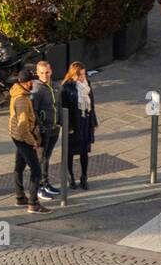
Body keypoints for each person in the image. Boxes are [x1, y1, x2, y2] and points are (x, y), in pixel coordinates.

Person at [9, 67, 49, 213]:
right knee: (36, 171)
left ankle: (20, 197)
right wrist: (33, 141)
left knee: (19, 166)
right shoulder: (22, 100)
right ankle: (33, 203)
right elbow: (23, 126)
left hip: (16, 135)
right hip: (23, 138)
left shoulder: (17, 92)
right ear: (27, 82)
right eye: (32, 80)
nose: (33, 83)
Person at [61, 62, 98, 190]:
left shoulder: (87, 85)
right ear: (73, 75)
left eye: (84, 74)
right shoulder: (66, 87)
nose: (83, 77)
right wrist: (68, 126)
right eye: (80, 75)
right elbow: (64, 109)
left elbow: (91, 104)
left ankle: (84, 177)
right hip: (73, 124)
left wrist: (93, 121)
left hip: (85, 121)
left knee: (84, 151)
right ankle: (71, 176)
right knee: (70, 152)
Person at [31, 60, 61, 201]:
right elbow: (34, 111)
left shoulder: (54, 85)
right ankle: (38, 188)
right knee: (40, 158)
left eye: (47, 72)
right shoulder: (37, 89)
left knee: (47, 157)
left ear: (51, 71)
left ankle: (46, 182)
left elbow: (58, 105)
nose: (45, 75)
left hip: (54, 127)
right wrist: (40, 128)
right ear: (37, 73)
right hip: (44, 130)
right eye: (42, 73)